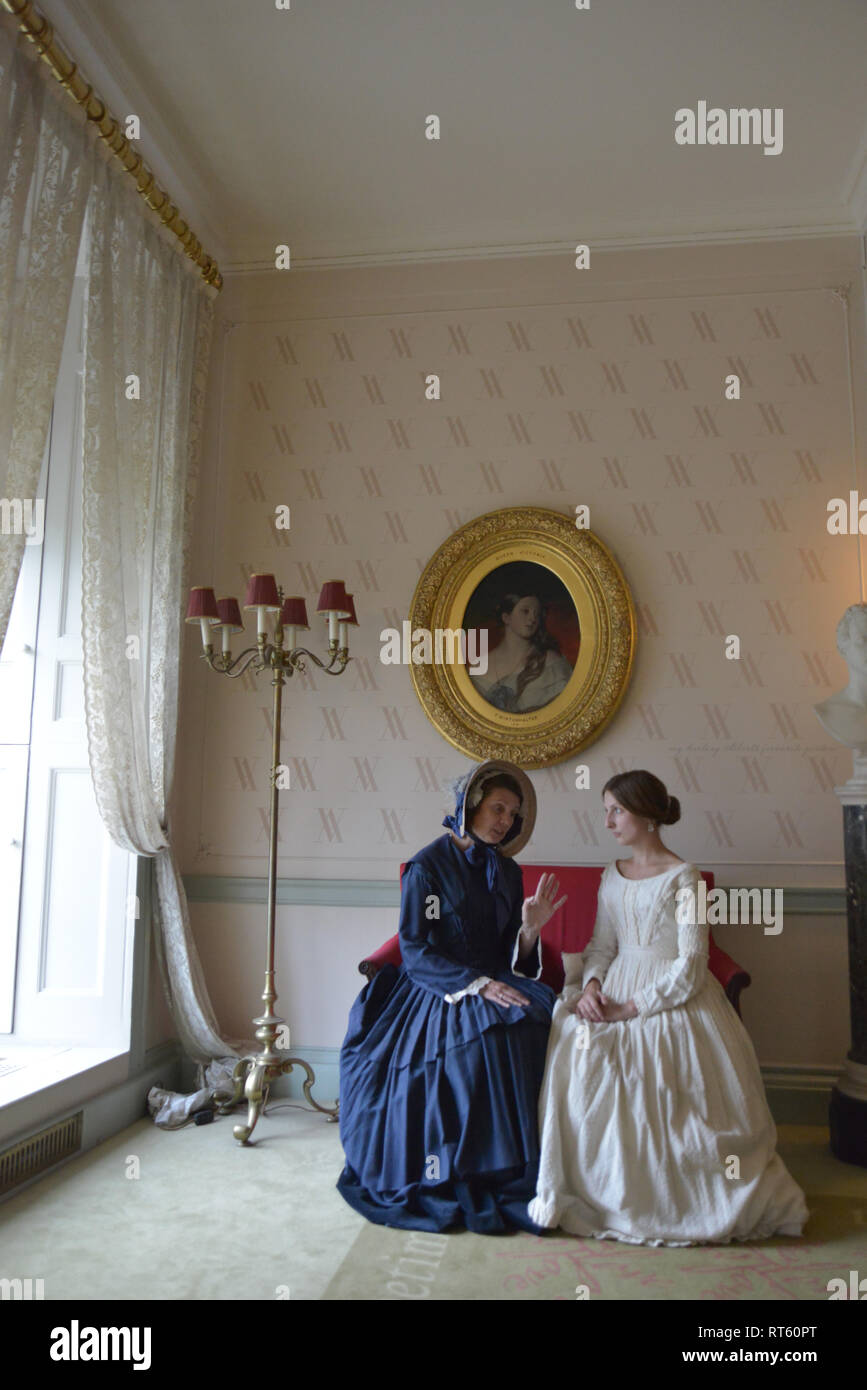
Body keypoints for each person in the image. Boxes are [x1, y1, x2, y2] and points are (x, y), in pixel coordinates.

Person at [528, 769, 809, 1245]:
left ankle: (670, 1194)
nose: (609, 821)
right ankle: (594, 1186)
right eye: (606, 811)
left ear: (647, 814)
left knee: (655, 1077)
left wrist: (631, 1009)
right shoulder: (610, 874)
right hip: (615, 984)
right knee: (575, 1037)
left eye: (616, 810)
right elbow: (601, 945)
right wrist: (594, 986)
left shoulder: (686, 878)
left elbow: (692, 965)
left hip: (670, 995)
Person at [336, 760, 564, 1233]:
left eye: (512, 813)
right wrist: (475, 986)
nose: (504, 820)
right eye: (497, 808)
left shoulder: (507, 872)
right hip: (438, 988)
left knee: (540, 1022)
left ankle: (545, 1165)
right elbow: (416, 947)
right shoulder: (427, 868)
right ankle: (476, 1167)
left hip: (496, 976)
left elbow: (508, 954)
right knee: (490, 1038)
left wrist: (528, 931)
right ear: (470, 805)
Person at [471, 593, 573, 712]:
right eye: (525, 611)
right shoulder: (479, 665)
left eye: (537, 614)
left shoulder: (551, 663)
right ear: (506, 618)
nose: (532, 618)